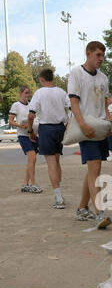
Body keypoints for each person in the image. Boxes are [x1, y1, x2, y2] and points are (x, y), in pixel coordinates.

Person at [68, 41, 112, 229]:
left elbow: (106, 100)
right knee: (95, 169)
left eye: (103, 55)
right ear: (88, 53)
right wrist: (83, 125)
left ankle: (81, 209)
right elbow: (74, 102)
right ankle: (99, 213)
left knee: (94, 170)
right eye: (97, 55)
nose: (101, 59)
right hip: (86, 129)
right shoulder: (76, 73)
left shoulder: (103, 78)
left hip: (100, 128)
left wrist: (110, 119)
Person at [28, 69, 70, 208]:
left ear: (41, 79)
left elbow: (31, 115)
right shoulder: (61, 92)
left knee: (51, 163)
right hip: (60, 128)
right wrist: (67, 124)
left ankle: (58, 197)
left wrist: (30, 130)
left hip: (46, 128)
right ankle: (59, 190)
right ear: (52, 78)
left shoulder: (39, 93)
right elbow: (71, 108)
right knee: (57, 161)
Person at [9, 86, 42, 193]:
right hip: (23, 135)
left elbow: (33, 119)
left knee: (32, 160)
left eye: (29, 93)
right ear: (21, 93)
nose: (27, 95)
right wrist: (20, 125)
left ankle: (25, 184)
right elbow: (11, 121)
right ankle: (33, 184)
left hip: (32, 134)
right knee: (32, 158)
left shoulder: (31, 105)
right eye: (26, 93)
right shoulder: (16, 105)